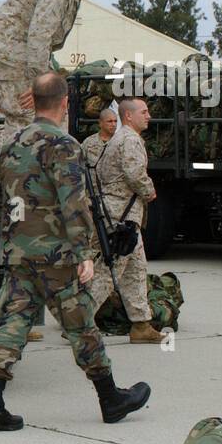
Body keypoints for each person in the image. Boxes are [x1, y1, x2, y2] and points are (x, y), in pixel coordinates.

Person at [0, 72, 151, 431]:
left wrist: (14, 237)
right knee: (81, 324)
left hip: (18, 251)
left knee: (14, 321)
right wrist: (84, 252)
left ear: (34, 101)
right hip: (56, 255)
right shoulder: (65, 144)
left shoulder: (11, 143)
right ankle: (110, 398)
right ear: (65, 102)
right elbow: (73, 204)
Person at [0, 0, 120, 191]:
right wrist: (41, 84)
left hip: (20, 54)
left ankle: (36, 184)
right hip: (12, 53)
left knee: (51, 114)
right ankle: (19, 189)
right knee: (27, 114)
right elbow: (39, 36)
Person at [85, 97, 161, 344]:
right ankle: (79, 322)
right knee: (109, 270)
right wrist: (149, 190)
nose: (148, 116)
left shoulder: (118, 138)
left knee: (136, 269)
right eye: (144, 112)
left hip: (121, 214)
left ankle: (141, 324)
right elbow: (134, 174)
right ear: (128, 116)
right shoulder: (129, 139)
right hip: (121, 215)